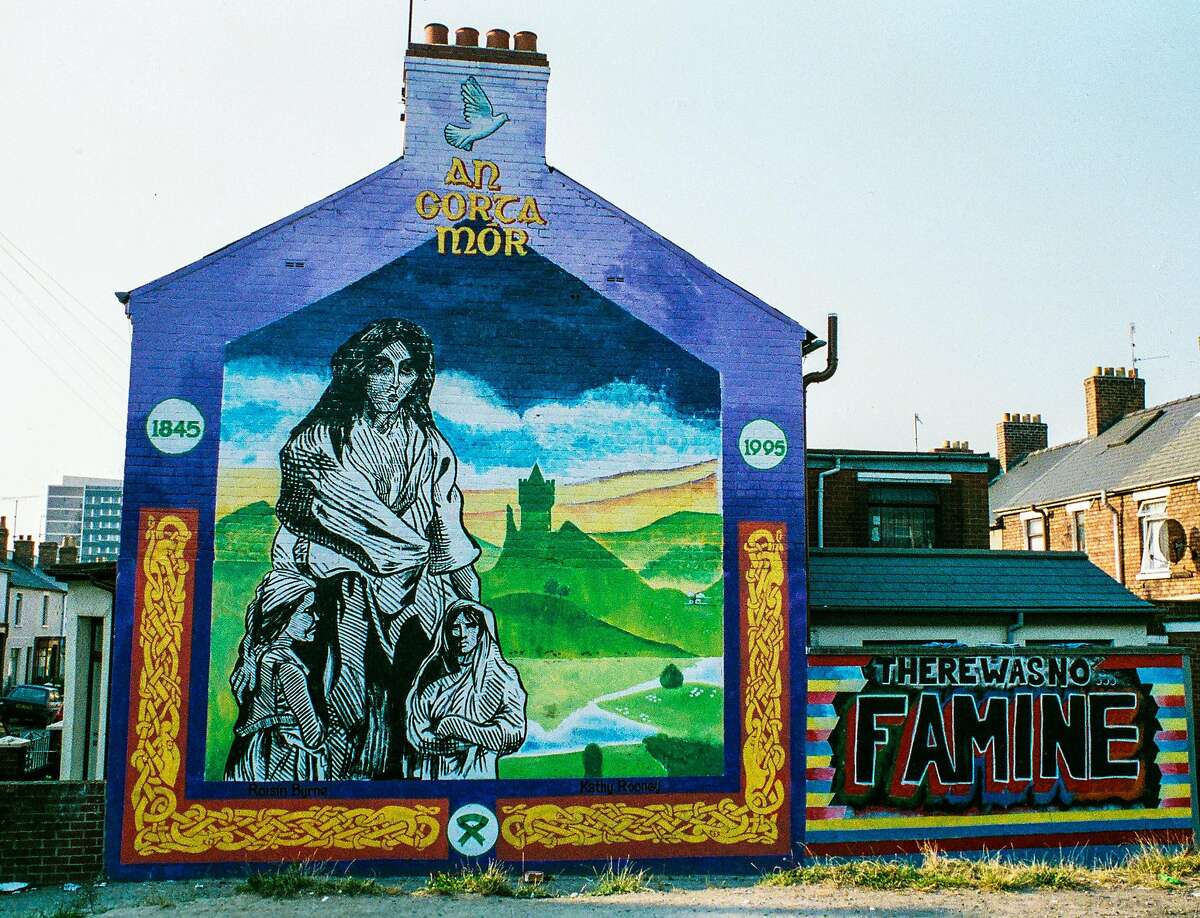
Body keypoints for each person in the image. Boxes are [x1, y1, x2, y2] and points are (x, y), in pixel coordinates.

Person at [229, 317, 482, 781]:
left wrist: (467, 602)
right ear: (359, 371)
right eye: (382, 367)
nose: (395, 382)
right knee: (343, 644)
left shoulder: (429, 446)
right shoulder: (316, 442)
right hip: (326, 575)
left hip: (412, 586)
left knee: (433, 654)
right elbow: (344, 522)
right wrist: (410, 554)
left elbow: (446, 534)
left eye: (407, 370)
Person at [407, 599, 527, 780]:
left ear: (481, 630)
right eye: (455, 627)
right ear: (447, 632)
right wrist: (439, 743)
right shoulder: (432, 678)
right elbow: (416, 728)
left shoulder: (503, 676)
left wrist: (457, 726)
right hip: (435, 778)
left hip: (479, 776)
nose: (462, 634)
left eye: (470, 626)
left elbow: (514, 732)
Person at [225, 601, 326, 781]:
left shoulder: (256, 659)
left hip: (248, 758)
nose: (317, 618)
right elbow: (313, 736)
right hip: (280, 762)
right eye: (308, 611)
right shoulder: (287, 668)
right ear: (283, 615)